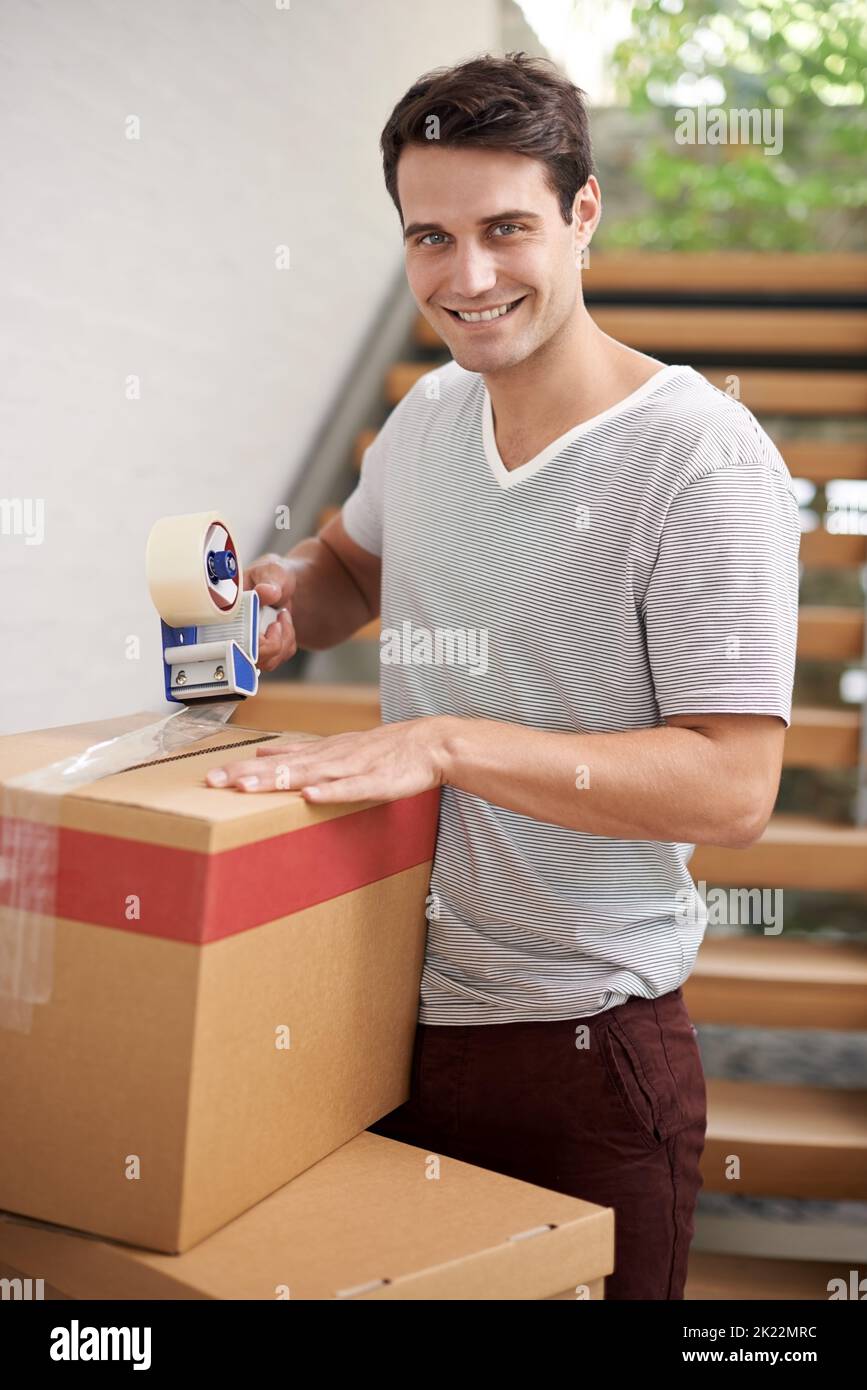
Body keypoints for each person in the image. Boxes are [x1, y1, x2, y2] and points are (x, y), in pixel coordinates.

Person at [206, 52, 801, 1300]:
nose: (467, 279)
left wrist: (444, 742)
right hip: (380, 1011)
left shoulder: (702, 459)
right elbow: (349, 573)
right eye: (431, 238)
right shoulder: (427, 416)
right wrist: (278, 600)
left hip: (582, 1044)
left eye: (507, 228)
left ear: (584, 215)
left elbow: (734, 788)